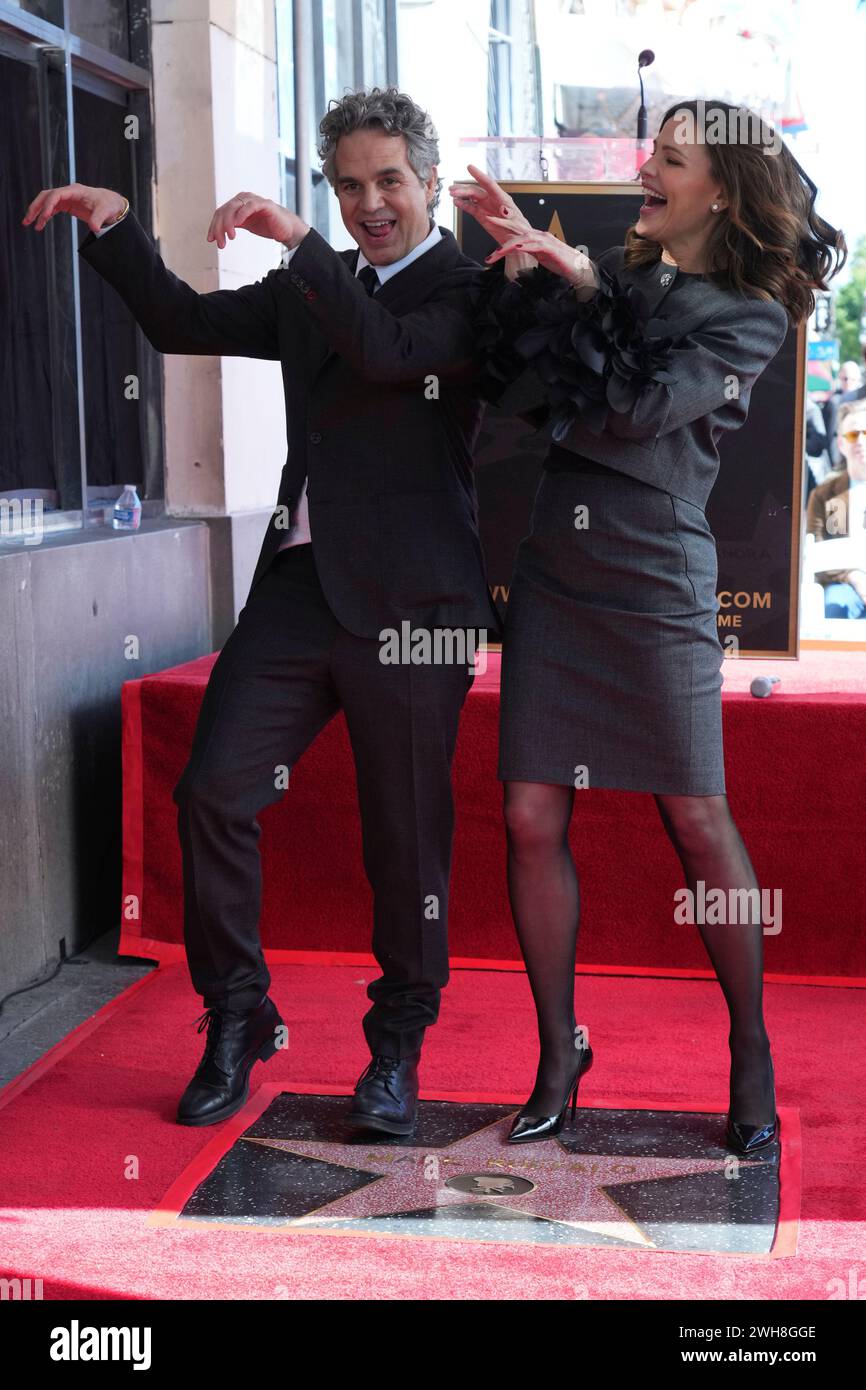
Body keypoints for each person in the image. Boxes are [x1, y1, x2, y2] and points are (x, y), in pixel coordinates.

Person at [24, 86, 501, 1135]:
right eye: (345, 186)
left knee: (405, 843)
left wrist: (297, 246)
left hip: (414, 608)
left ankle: (394, 1049)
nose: (368, 202)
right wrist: (118, 233)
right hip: (295, 592)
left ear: (427, 179)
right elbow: (180, 320)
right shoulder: (310, 288)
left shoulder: (471, 291)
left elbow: (386, 350)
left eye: (388, 180)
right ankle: (238, 1016)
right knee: (212, 793)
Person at [452, 98, 846, 1154]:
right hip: (555, 564)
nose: (644, 171)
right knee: (529, 814)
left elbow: (633, 408)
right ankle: (554, 1052)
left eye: (668, 158)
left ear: (717, 187)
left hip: (656, 572)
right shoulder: (614, 275)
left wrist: (578, 282)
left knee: (695, 820)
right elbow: (528, 387)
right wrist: (530, 271)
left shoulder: (752, 314)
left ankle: (749, 1048)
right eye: (650, 152)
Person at [806, 401, 866, 618]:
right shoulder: (826, 494)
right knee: (834, 606)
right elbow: (816, 552)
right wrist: (855, 577)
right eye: (853, 434)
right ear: (841, 444)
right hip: (844, 584)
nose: (860, 440)